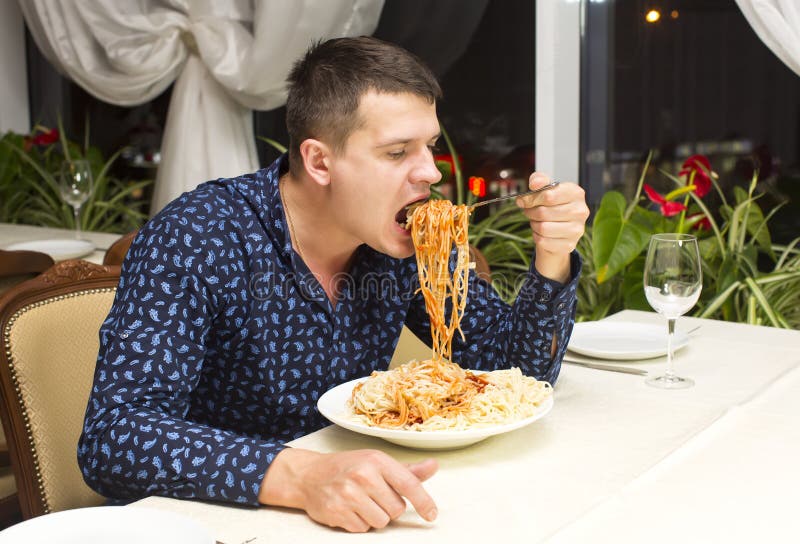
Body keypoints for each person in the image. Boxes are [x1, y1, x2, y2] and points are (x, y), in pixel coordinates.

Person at [78, 36, 589, 533]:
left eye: (429, 146)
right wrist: (302, 476)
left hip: (352, 513)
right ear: (320, 160)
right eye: (396, 153)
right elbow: (115, 438)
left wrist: (552, 257)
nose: (431, 172)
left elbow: (518, 373)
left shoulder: (406, 240)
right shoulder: (198, 235)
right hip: (203, 523)